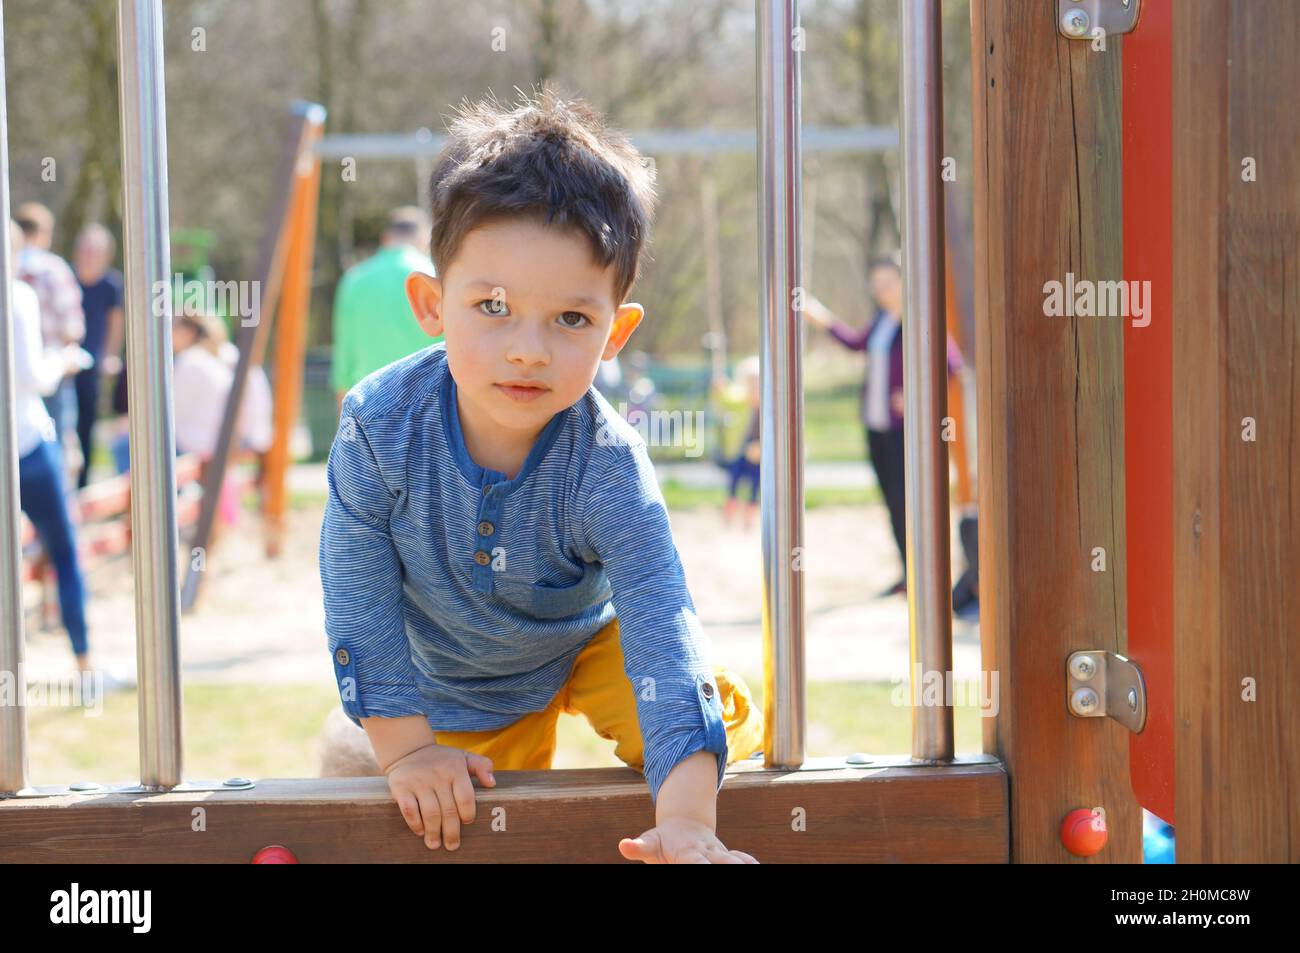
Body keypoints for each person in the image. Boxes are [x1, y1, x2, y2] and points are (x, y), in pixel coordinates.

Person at [320, 88, 763, 864]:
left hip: (588, 641)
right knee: (456, 811)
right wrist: (404, 748)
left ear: (616, 332)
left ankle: (712, 748)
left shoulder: (608, 463)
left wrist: (688, 816)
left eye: (571, 319)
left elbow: (661, 620)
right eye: (493, 306)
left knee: (699, 710)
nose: (529, 349)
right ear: (432, 303)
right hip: (461, 677)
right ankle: (359, 732)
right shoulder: (378, 429)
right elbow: (360, 604)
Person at [805, 255, 962, 597]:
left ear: (905, 283)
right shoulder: (881, 321)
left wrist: (919, 395)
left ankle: (929, 576)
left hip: (905, 430)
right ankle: (909, 574)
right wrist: (822, 318)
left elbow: (951, 366)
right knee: (892, 502)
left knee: (912, 503)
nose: (882, 291)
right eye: (876, 285)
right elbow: (855, 344)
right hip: (876, 427)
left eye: (888, 284)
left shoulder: (920, 319)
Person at [9, 222, 97, 680]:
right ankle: (83, 664)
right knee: (64, 551)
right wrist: (64, 361)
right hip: (26, 443)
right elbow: (34, 377)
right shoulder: (18, 296)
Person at [331, 206, 440, 409]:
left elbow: (344, 365)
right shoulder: (434, 276)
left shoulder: (354, 280)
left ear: (386, 238)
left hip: (371, 406)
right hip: (430, 406)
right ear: (424, 238)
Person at [15, 202, 85, 467]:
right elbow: (73, 327)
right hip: (53, 373)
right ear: (44, 233)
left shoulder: (10, 270)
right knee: (57, 453)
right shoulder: (53, 269)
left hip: (13, 379)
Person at [71, 224, 125, 489]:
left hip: (91, 363)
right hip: (64, 363)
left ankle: (82, 483)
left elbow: (115, 322)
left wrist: (109, 355)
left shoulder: (110, 285)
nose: (89, 255)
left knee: (86, 424)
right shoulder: (66, 278)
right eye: (85, 249)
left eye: (95, 251)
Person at [712, 355, 761, 531]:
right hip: (739, 450)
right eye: (751, 384)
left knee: (755, 487)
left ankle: (749, 520)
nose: (755, 389)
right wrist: (718, 389)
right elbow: (724, 399)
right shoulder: (739, 401)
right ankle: (728, 517)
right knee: (733, 483)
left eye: (758, 384)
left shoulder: (771, 405)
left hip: (760, 453)